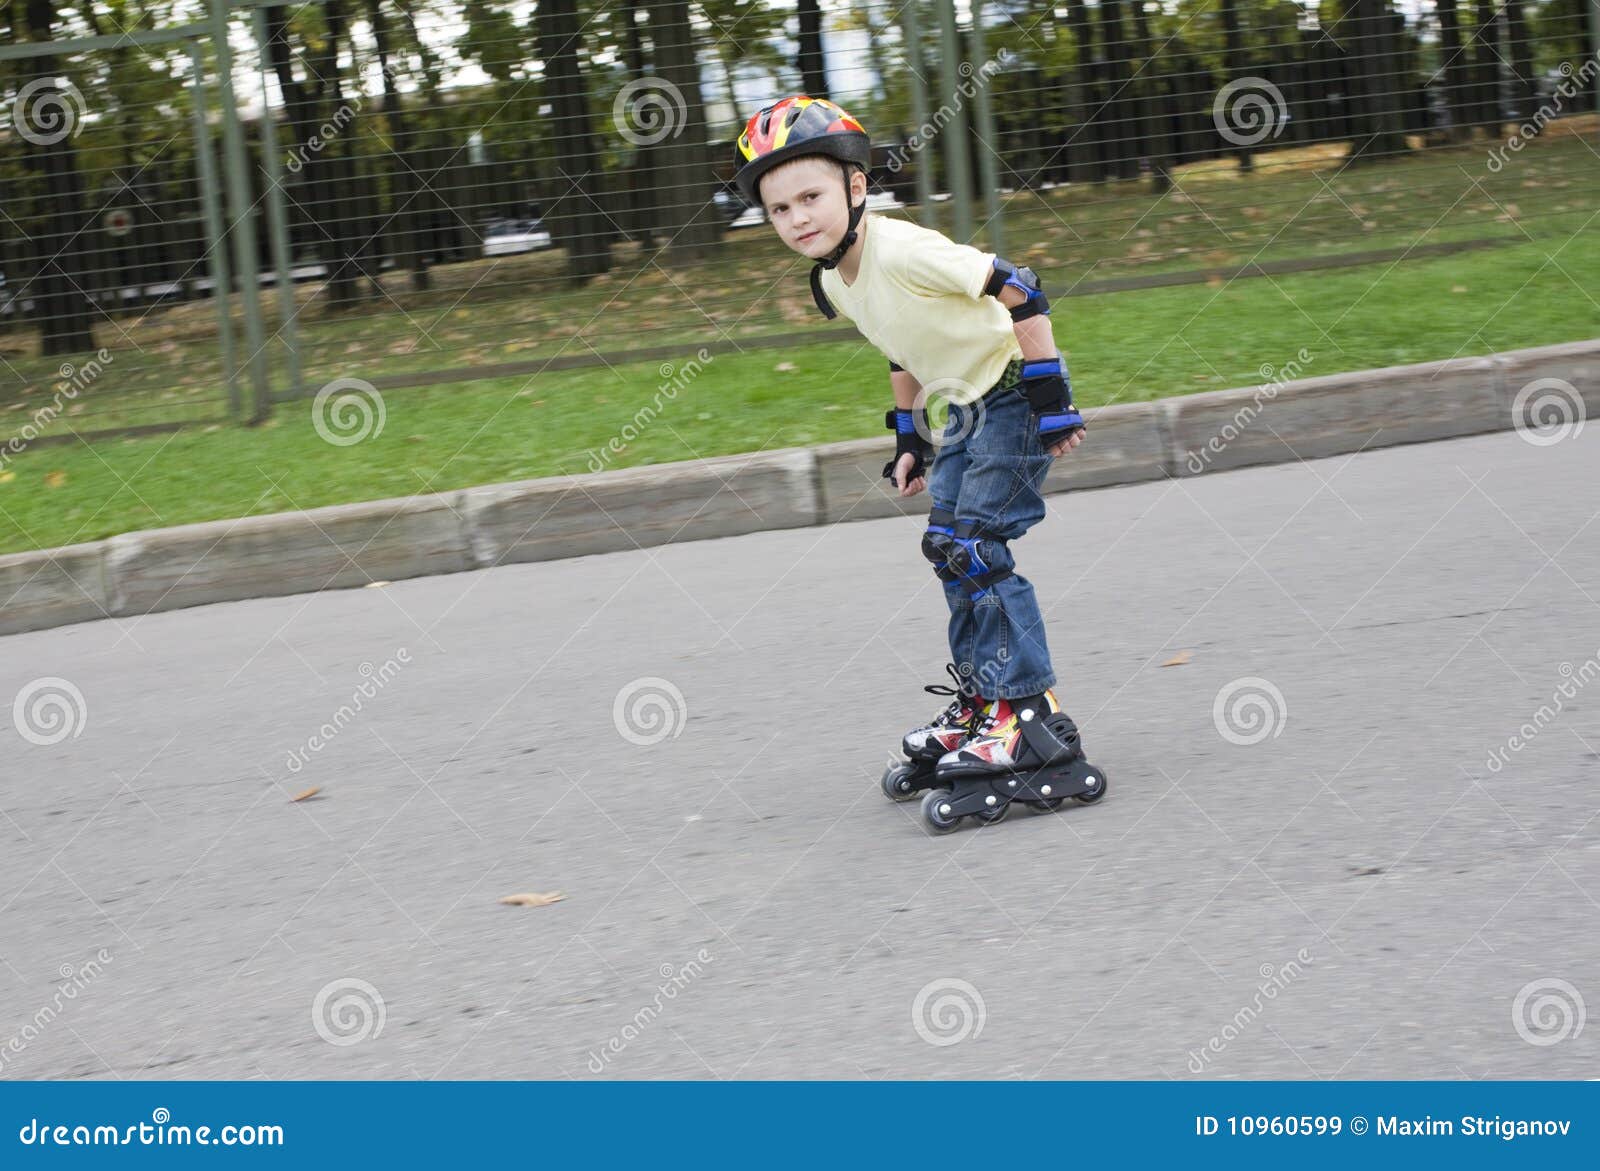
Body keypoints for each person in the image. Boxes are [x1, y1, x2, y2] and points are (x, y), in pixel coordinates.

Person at [734, 95, 1092, 789]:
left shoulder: (901, 249)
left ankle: (1028, 717)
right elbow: (902, 347)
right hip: (966, 406)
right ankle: (984, 702)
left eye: (810, 197)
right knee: (948, 549)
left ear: (855, 186)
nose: (797, 218)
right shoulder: (834, 278)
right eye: (779, 209)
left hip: (1015, 389)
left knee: (978, 548)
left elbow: (1021, 288)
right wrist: (910, 436)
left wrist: (1051, 395)